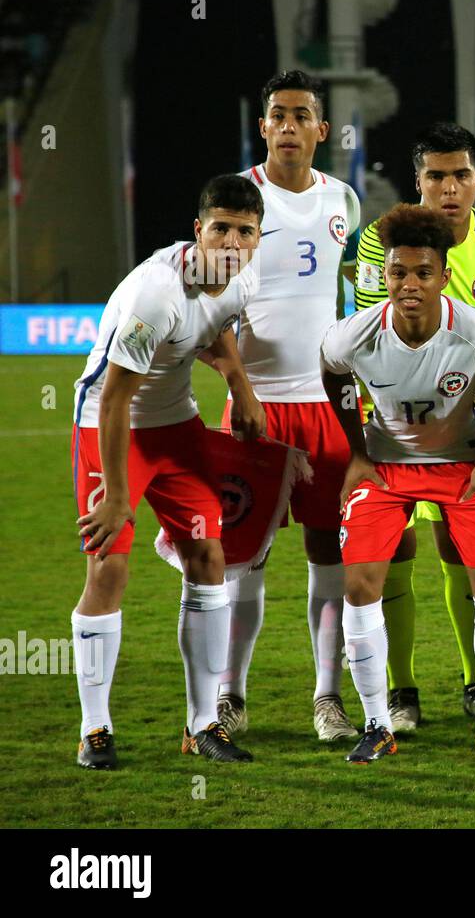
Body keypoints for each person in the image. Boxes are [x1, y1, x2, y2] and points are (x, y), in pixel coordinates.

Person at [71, 174, 265, 769]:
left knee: (210, 557)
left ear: (258, 238)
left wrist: (238, 381)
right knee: (109, 571)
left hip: (177, 423)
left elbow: (215, 333)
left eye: (245, 231)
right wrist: (118, 497)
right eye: (221, 229)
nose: (233, 242)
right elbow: (113, 399)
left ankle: (203, 724)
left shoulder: (243, 277)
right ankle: (95, 728)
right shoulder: (155, 294)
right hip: (111, 429)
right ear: (198, 231)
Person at [319, 204, 475, 764]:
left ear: (444, 277)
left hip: (460, 464)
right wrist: (356, 453)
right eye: (399, 273)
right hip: (384, 469)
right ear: (383, 276)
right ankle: (378, 724)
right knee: (359, 586)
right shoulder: (354, 335)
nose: (409, 285)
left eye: (423, 273)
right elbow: (330, 374)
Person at [353, 122, 475, 730]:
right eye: (435, 176)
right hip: (395, 423)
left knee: (465, 553)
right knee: (391, 552)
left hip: (466, 425)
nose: (448, 188)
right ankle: (401, 692)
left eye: (460, 176)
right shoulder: (380, 245)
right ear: (417, 181)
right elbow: (370, 333)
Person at [220, 70, 362, 743]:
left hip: (328, 405)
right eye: (277, 113)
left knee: (327, 549)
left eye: (300, 115)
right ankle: (230, 695)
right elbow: (203, 310)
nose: (287, 125)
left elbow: (356, 300)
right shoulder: (238, 200)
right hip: (259, 409)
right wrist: (241, 387)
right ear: (263, 126)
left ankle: (327, 698)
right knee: (243, 555)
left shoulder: (344, 201)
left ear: (321, 130)